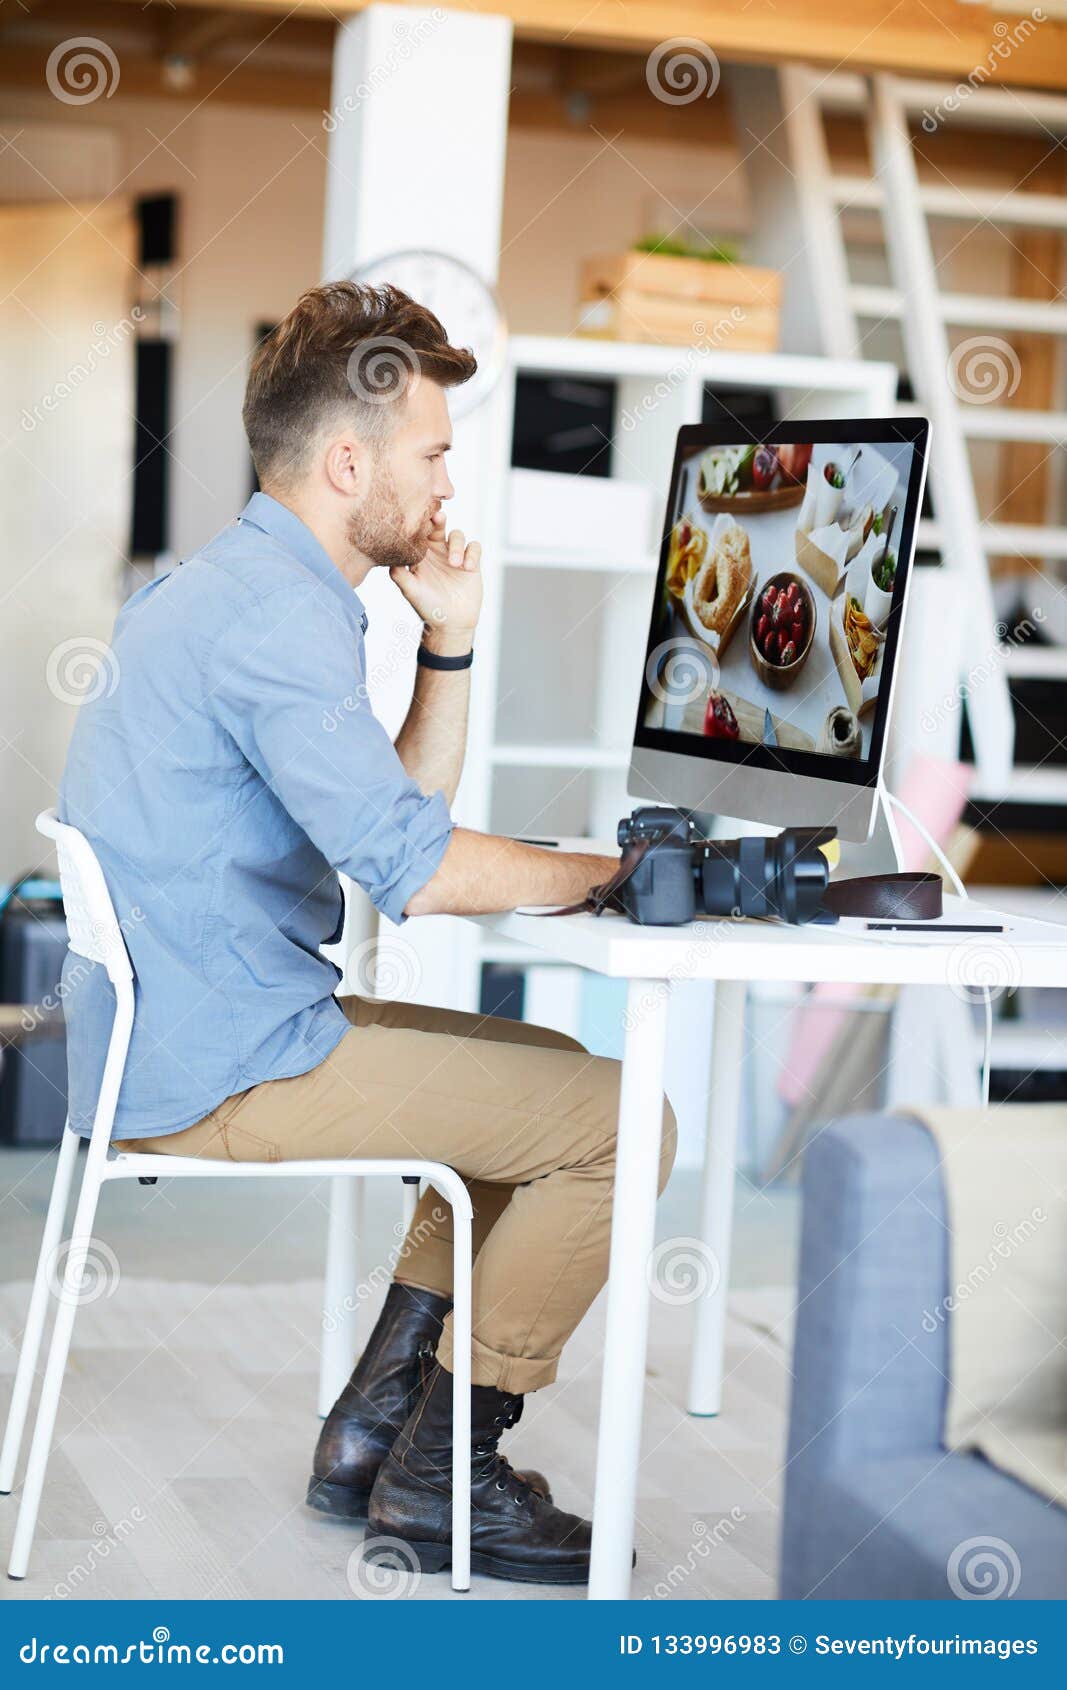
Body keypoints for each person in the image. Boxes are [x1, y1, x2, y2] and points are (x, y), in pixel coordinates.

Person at [59, 281, 677, 1586]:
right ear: (350, 461)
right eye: (436, 452)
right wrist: (618, 871)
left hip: (195, 1032)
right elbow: (417, 870)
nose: (452, 480)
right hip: (227, 1062)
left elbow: (402, 819)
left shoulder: (237, 590)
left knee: (550, 1079)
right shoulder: (277, 619)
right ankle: (451, 1470)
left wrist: (444, 645)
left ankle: (375, 1437)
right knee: (628, 1121)